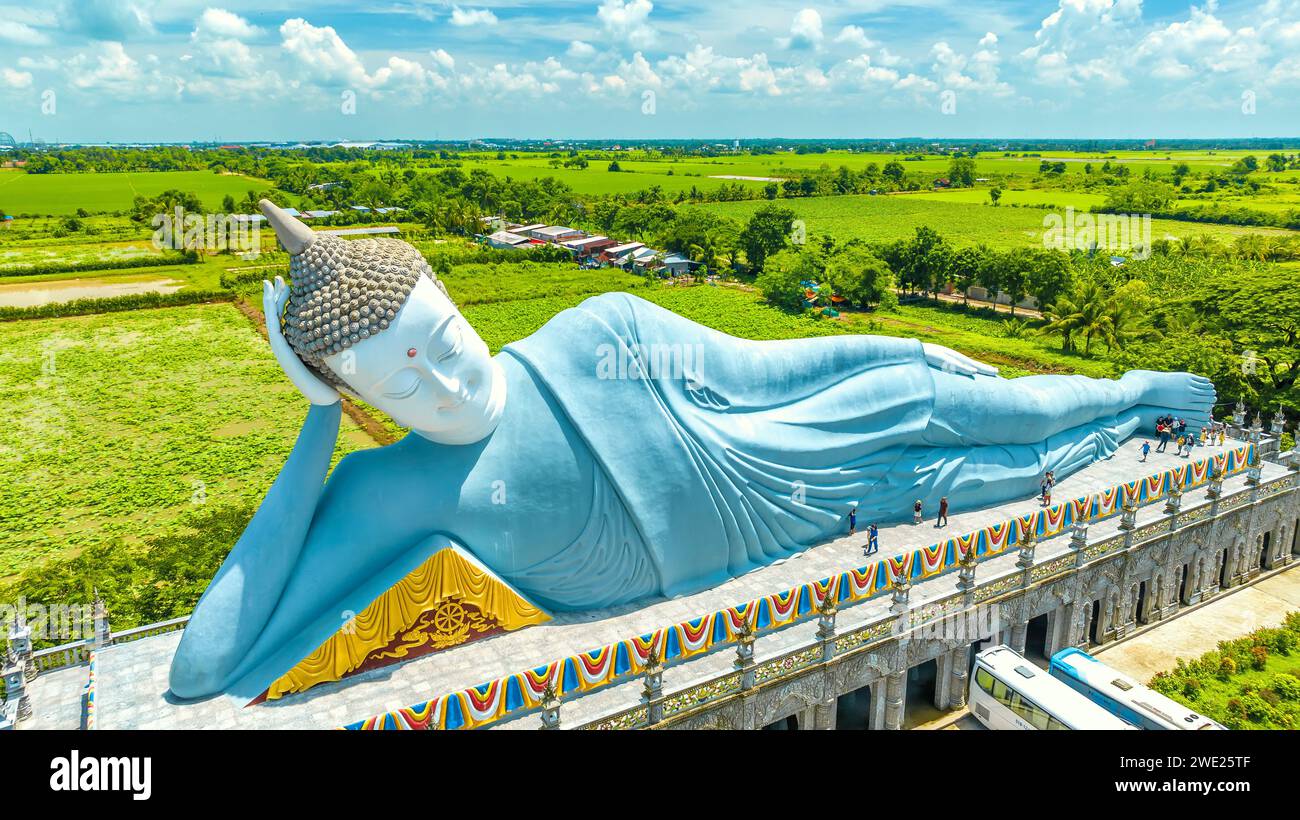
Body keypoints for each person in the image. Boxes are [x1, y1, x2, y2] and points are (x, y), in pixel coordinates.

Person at [168, 200, 1221, 701]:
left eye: (443, 343)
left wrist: (903, 336)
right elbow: (204, 667)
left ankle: (1129, 396)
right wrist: (311, 417)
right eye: (400, 383)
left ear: (448, 296)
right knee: (1017, 475)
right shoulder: (387, 489)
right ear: (357, 398)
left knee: (989, 409)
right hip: (842, 513)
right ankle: (1127, 426)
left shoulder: (600, 329)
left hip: (815, 435)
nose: (447, 382)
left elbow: (778, 366)